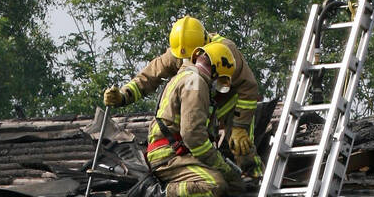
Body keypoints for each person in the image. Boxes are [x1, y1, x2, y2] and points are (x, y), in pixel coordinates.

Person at [105, 15, 262, 178]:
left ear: (204, 44)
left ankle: (252, 173)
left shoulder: (226, 51)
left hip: (228, 103)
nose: (190, 62)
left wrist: (239, 127)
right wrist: (123, 95)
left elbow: (248, 89)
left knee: (240, 143)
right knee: (196, 136)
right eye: (185, 58)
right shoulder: (180, 53)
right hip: (202, 105)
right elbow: (149, 76)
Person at [121, 40, 246, 197]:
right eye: (220, 79)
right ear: (216, 69)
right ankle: (156, 191)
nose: (217, 85)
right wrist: (220, 164)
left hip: (175, 152)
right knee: (216, 184)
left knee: (236, 186)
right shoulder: (196, 82)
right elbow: (192, 135)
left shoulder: (186, 77)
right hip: (170, 156)